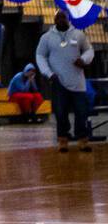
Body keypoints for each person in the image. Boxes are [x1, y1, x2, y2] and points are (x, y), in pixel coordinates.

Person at [35, 10, 95, 152]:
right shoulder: (47, 37)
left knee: (81, 112)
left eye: (64, 17)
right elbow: (40, 55)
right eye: (58, 17)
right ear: (54, 20)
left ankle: (83, 140)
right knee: (60, 112)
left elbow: (89, 50)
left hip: (78, 82)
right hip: (58, 81)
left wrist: (84, 60)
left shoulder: (78, 35)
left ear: (68, 19)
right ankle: (63, 140)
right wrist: (48, 73)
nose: (61, 19)